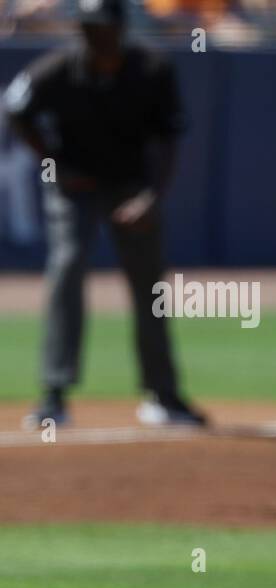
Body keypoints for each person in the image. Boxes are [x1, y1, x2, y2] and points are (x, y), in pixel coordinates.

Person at [3, 0, 205, 429]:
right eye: (91, 29)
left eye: (106, 28)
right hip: (74, 187)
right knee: (68, 264)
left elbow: (168, 139)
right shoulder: (57, 69)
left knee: (149, 284)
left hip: (130, 186)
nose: (99, 37)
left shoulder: (152, 69)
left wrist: (152, 197)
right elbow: (16, 111)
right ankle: (53, 395)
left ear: (121, 29)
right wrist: (56, 162)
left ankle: (163, 395)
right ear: (82, 30)